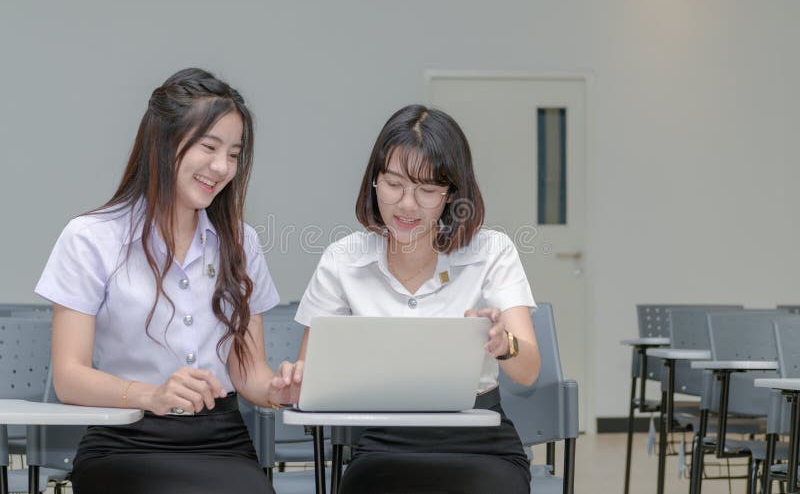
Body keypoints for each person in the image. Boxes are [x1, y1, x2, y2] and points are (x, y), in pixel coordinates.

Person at [35, 68, 299, 494]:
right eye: (209, 147)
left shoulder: (241, 242)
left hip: (222, 443)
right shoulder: (90, 237)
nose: (222, 167)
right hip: (125, 441)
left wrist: (281, 390)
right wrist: (152, 395)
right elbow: (69, 377)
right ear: (162, 143)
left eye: (234, 153)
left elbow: (250, 375)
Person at [294, 104, 541, 494]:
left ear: (451, 195)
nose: (407, 205)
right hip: (384, 442)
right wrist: (299, 380)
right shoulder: (343, 260)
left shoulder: (492, 251)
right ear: (374, 181)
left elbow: (528, 370)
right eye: (394, 184)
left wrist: (502, 343)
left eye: (427, 190)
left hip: (479, 441)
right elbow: (310, 380)